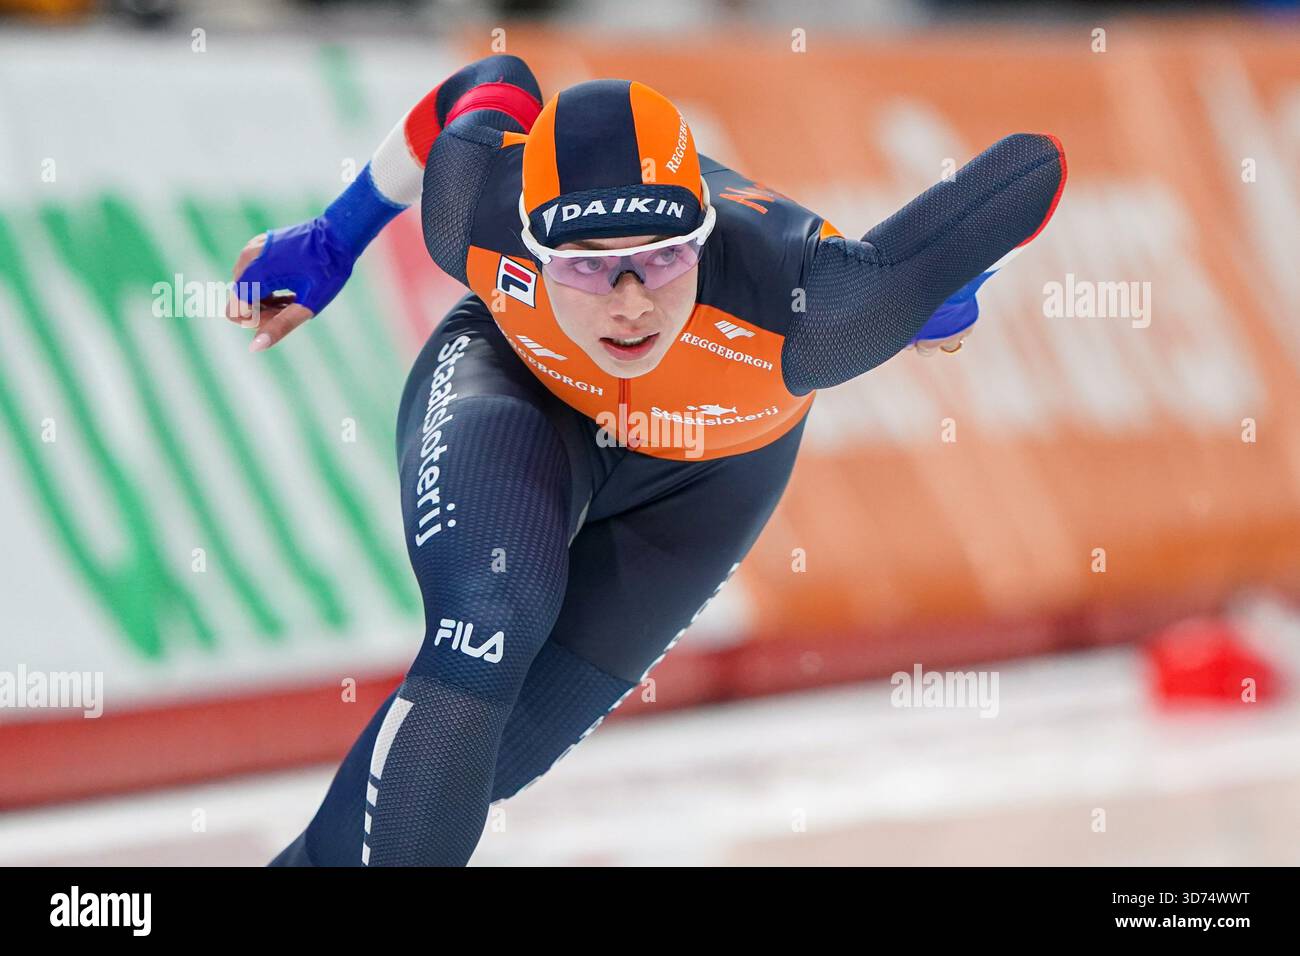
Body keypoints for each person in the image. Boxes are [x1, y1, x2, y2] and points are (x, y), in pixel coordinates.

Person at [227, 54, 1066, 866]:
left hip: (708, 472)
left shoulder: (811, 309)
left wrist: (936, 275)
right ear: (531, 240)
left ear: (704, 230)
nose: (631, 304)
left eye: (664, 256)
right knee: (486, 624)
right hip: (520, 386)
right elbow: (493, 82)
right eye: (589, 266)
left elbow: (1032, 167)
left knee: (485, 761)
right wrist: (336, 237)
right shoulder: (472, 212)